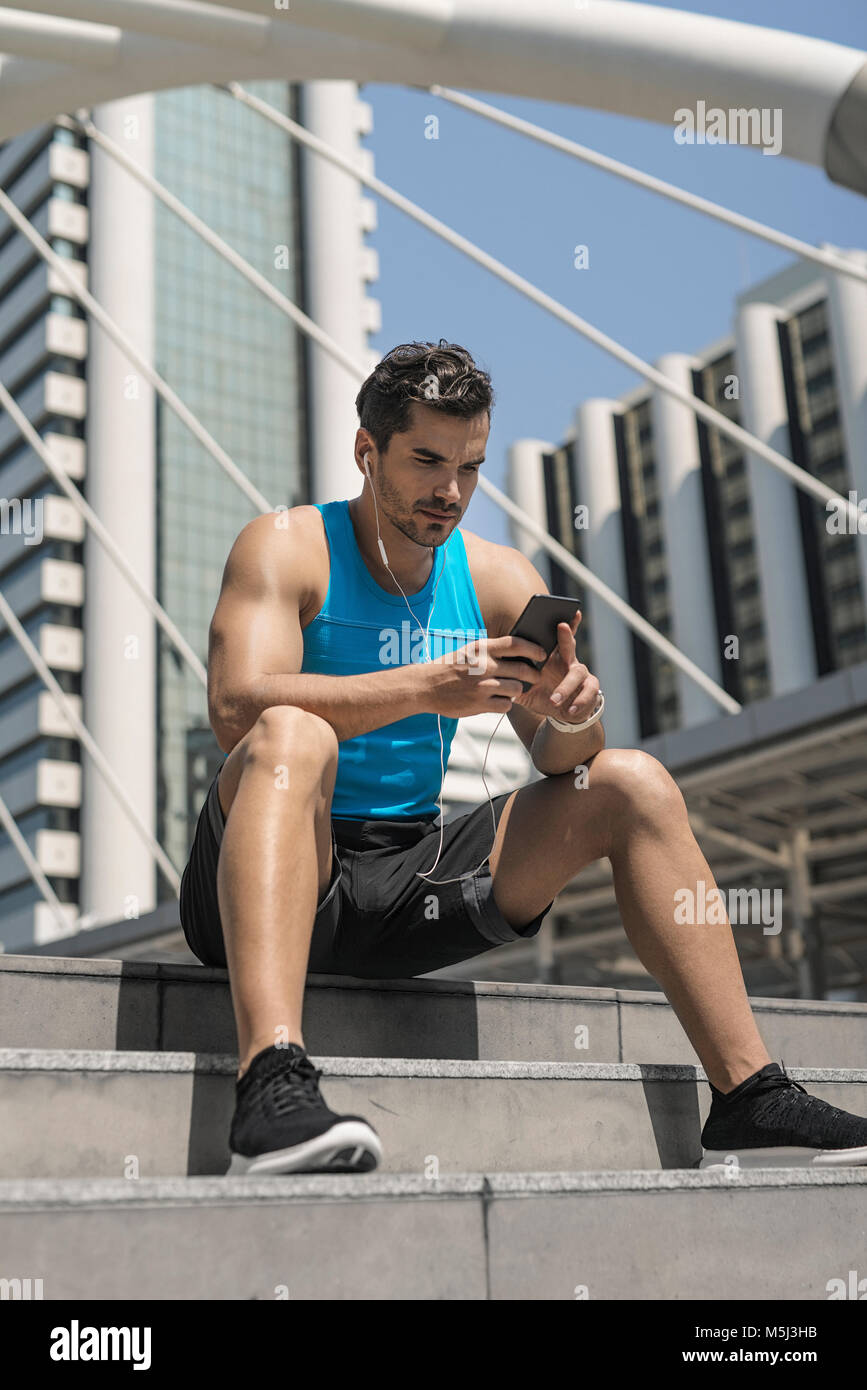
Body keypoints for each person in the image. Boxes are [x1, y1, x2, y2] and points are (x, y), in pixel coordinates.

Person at [180, 340, 867, 1176]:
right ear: (366, 451)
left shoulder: (498, 578)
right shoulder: (287, 546)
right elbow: (232, 709)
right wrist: (425, 687)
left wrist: (570, 712)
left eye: (469, 466)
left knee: (629, 780)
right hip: (269, 872)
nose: (450, 492)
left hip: (406, 880)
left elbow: (561, 763)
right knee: (293, 732)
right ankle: (272, 1082)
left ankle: (747, 1092)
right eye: (427, 461)